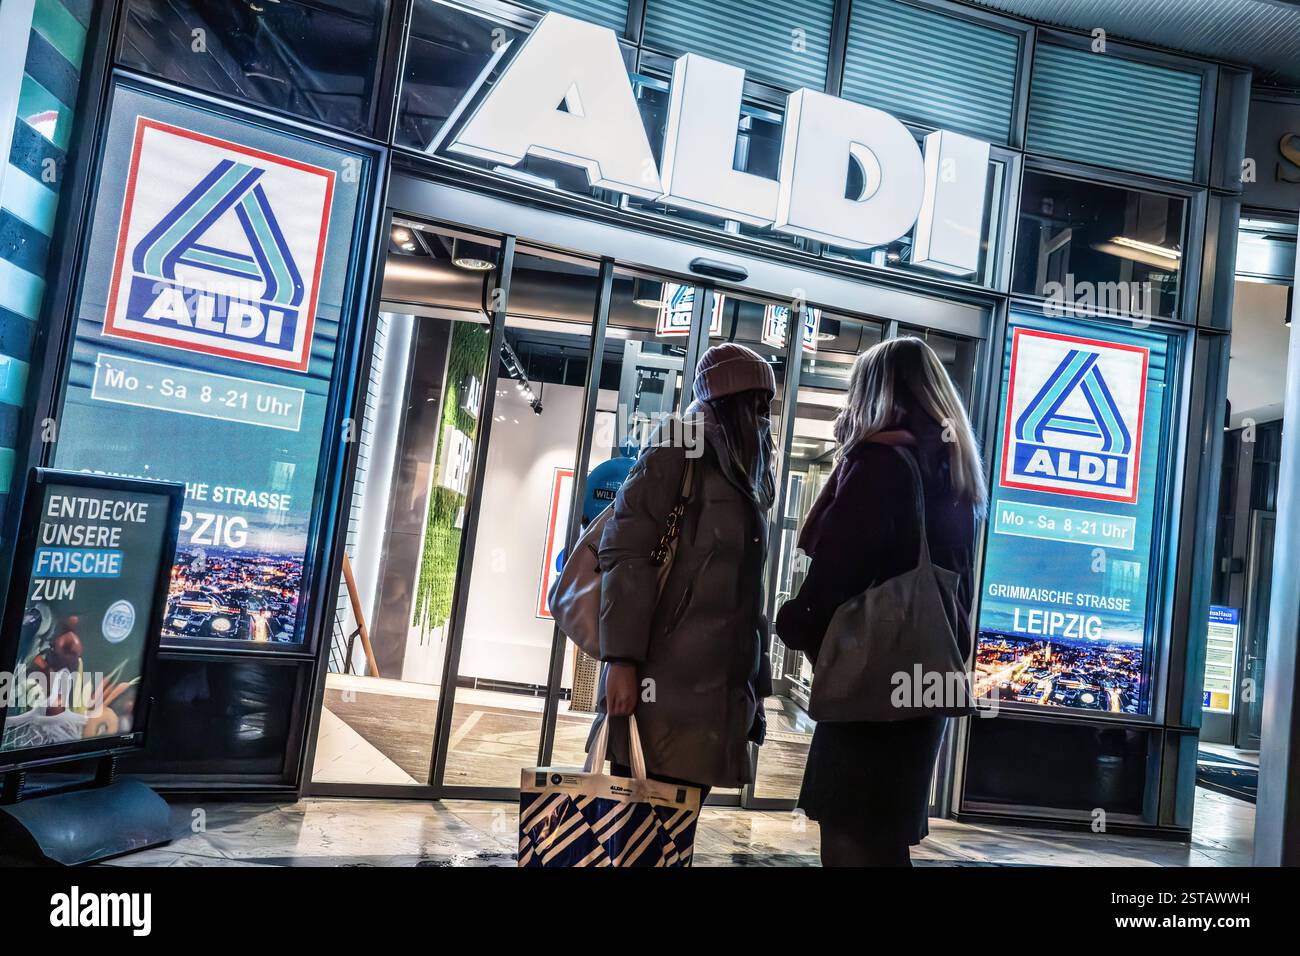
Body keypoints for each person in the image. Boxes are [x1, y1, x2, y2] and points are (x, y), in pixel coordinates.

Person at [776, 336, 987, 867]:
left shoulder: (878, 466)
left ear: (873, 394)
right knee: (887, 844)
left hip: (868, 686)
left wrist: (793, 624)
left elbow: (837, 573)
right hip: (923, 687)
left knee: (849, 840)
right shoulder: (954, 470)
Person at [588, 343, 777, 801]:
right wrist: (622, 662)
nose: (765, 416)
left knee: (672, 839)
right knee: (636, 838)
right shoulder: (680, 443)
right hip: (660, 683)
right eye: (757, 403)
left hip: (711, 695)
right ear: (731, 399)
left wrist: (756, 687)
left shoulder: (744, 470)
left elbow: (746, 596)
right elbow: (625, 553)